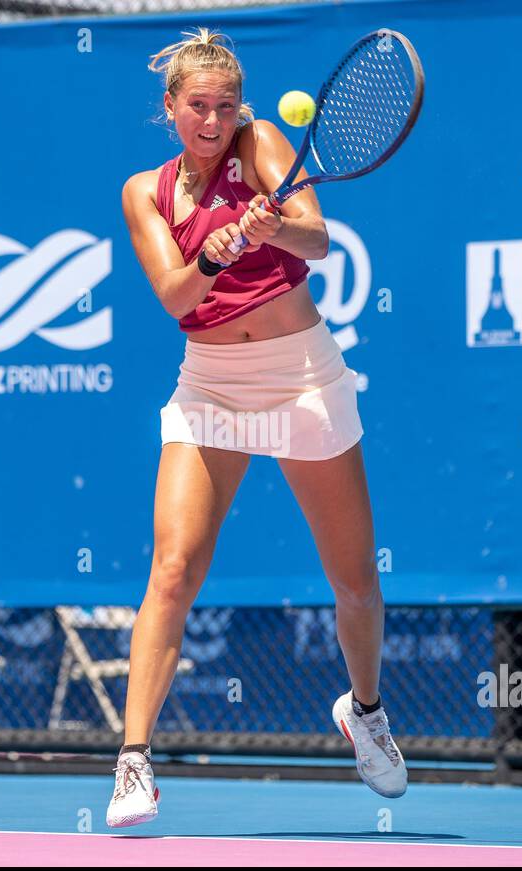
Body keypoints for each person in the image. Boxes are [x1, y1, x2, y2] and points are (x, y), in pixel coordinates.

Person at [107, 27, 406, 828]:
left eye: (224, 105)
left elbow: (320, 237)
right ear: (169, 108)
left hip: (303, 374)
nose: (212, 120)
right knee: (172, 570)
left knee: (353, 581)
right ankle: (133, 763)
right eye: (197, 106)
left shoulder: (263, 140)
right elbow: (175, 298)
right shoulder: (145, 192)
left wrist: (273, 228)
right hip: (211, 385)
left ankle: (366, 712)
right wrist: (214, 253)